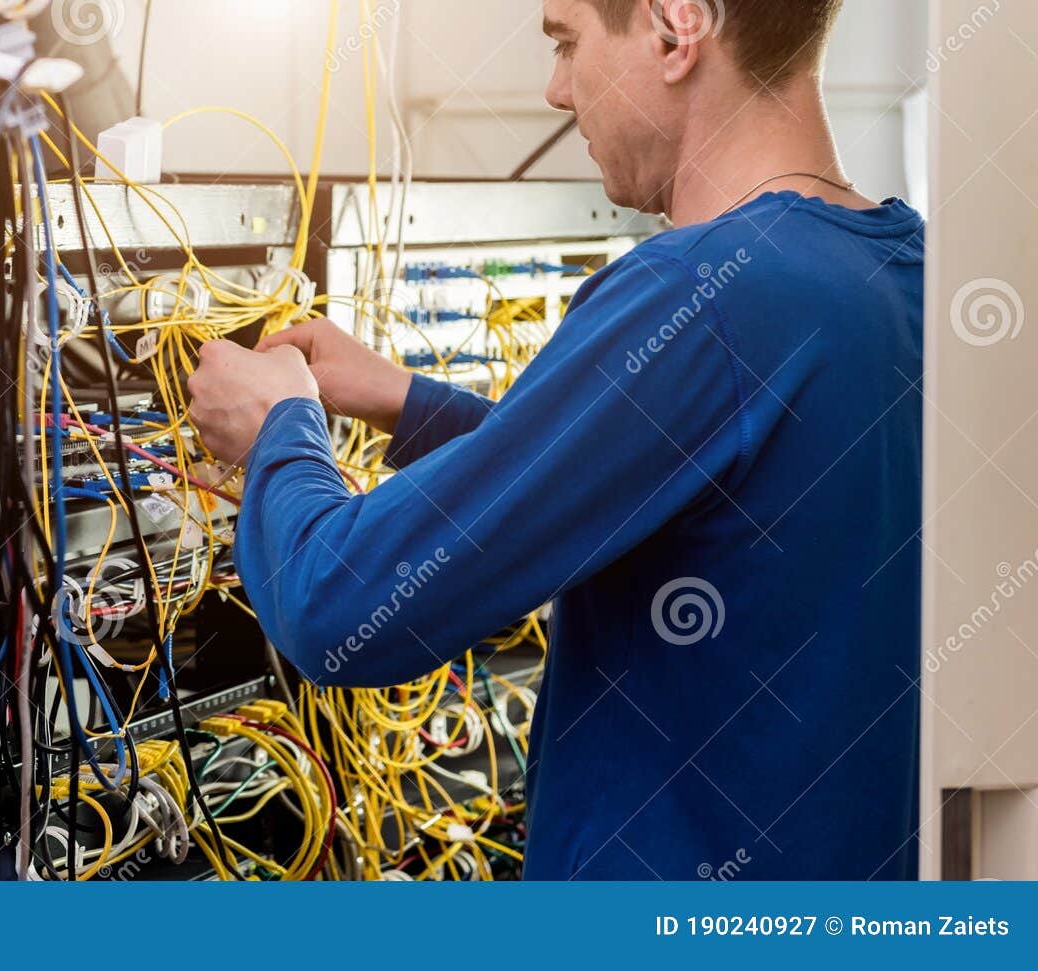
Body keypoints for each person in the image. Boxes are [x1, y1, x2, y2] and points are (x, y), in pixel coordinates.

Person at [187, 0, 924, 880]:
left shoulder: (699, 295)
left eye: (567, 43)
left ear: (675, 25)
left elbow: (338, 607)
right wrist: (405, 401)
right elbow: (657, 489)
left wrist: (280, 428)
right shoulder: (898, 267)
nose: (556, 90)